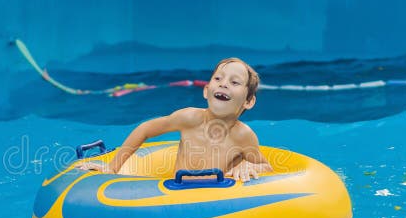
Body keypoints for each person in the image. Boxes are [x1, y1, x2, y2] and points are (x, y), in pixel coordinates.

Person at [80, 57, 272, 182]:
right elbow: (145, 129)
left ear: (248, 101)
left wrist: (249, 164)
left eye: (234, 82)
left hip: (216, 201)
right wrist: (113, 167)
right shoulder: (188, 118)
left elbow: (266, 166)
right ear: (206, 91)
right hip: (174, 196)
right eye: (218, 79)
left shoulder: (243, 136)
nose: (223, 84)